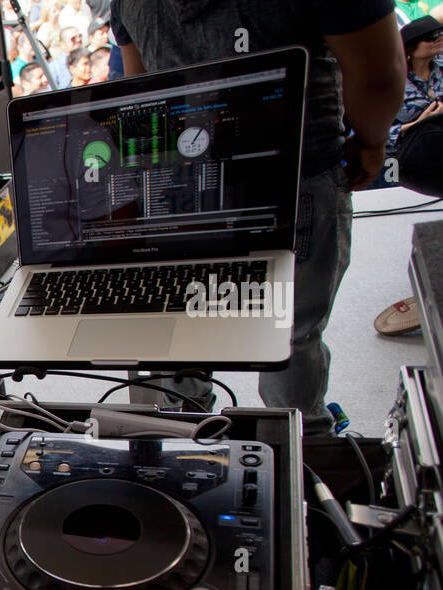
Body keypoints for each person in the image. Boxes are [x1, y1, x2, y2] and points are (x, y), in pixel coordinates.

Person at [112, 0, 406, 436]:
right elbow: (379, 76)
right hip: (292, 178)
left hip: (181, 187)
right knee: (291, 335)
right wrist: (371, 141)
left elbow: (142, 89)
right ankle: (298, 449)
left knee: (174, 335)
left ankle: (177, 439)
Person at [387, 16, 443, 197]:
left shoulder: (440, 69)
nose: (439, 39)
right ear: (410, 48)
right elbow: (369, 133)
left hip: (438, 156)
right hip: (395, 161)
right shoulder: (389, 83)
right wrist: (417, 125)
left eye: (440, 34)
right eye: (430, 37)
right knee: (396, 207)